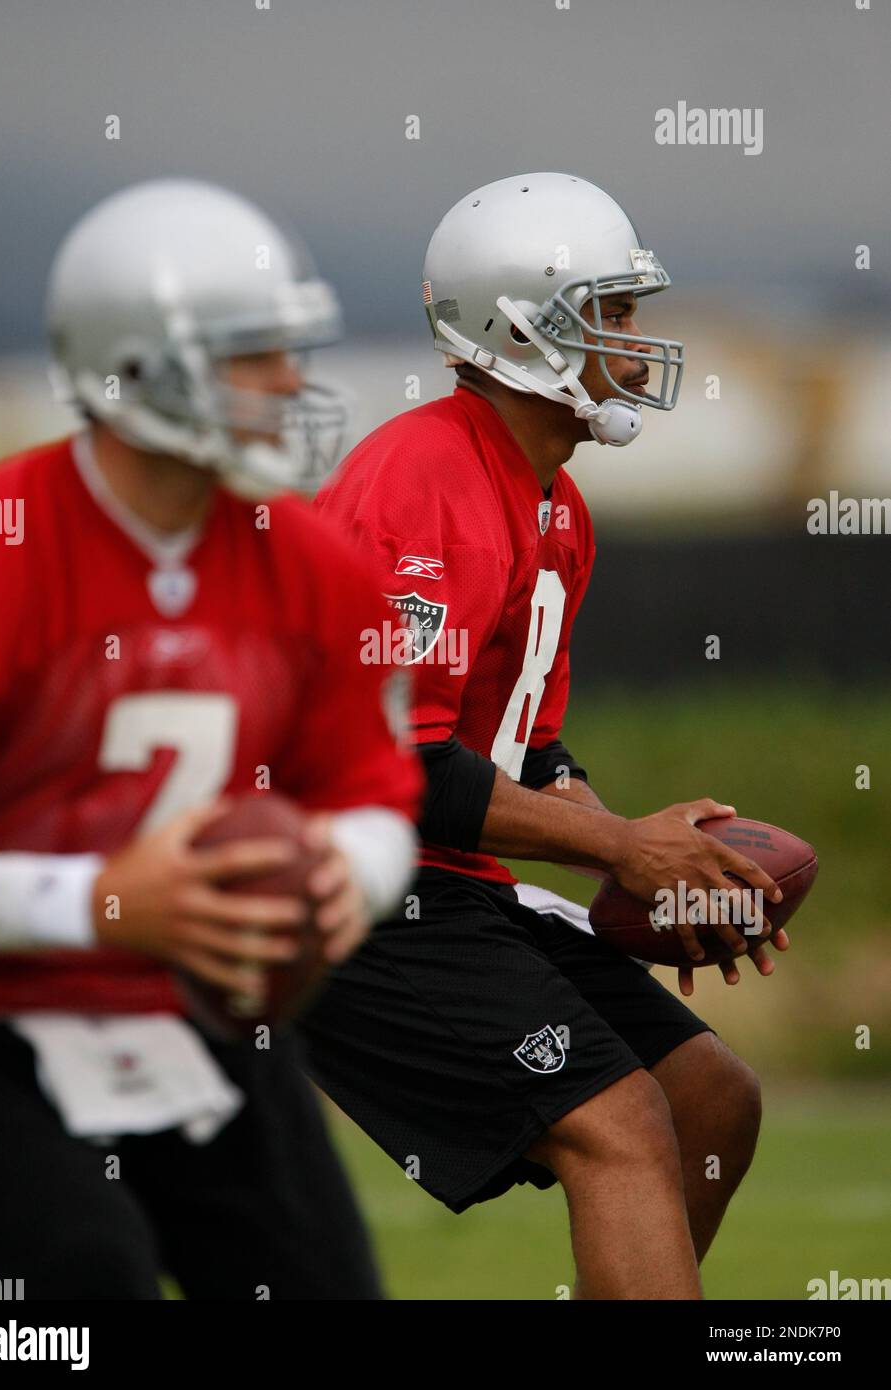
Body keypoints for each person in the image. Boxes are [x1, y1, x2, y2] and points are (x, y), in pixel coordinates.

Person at [299, 172, 788, 1300]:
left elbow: (530, 760)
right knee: (617, 1124)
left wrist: (664, 857)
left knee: (711, 1097)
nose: (633, 339)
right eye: (608, 312)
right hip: (343, 883)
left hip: (442, 878)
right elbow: (385, 761)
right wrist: (620, 850)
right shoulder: (421, 478)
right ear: (524, 326)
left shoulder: (555, 505)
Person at [0, 179, 422, 1300]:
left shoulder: (317, 569)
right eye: (254, 353)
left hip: (191, 1000)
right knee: (83, 1281)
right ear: (136, 366)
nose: (291, 383)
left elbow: (372, 796)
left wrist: (340, 875)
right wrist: (103, 900)